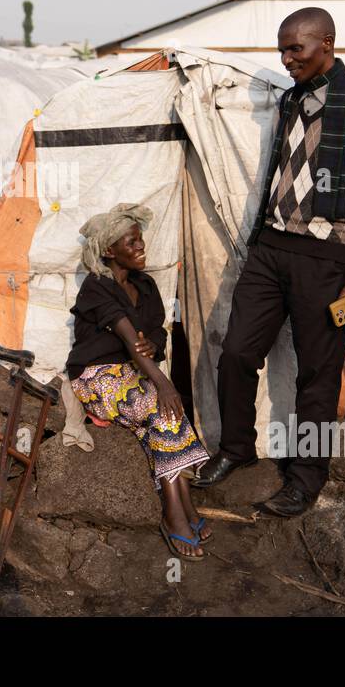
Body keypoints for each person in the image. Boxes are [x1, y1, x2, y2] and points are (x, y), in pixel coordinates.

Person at [193, 7, 345, 518]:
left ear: (326, 44)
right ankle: (236, 448)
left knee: (318, 375)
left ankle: (306, 479)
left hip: (327, 261)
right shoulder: (291, 100)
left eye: (295, 49)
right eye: (282, 50)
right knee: (236, 352)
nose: (286, 60)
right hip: (271, 250)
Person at [66, 203, 212, 560]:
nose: (141, 246)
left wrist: (153, 345)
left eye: (140, 239)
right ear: (109, 251)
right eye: (132, 242)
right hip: (96, 375)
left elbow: (156, 335)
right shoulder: (96, 287)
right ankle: (177, 512)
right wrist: (163, 381)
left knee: (165, 415)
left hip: (133, 372)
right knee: (160, 404)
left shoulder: (145, 286)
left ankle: (180, 507)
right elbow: (128, 334)